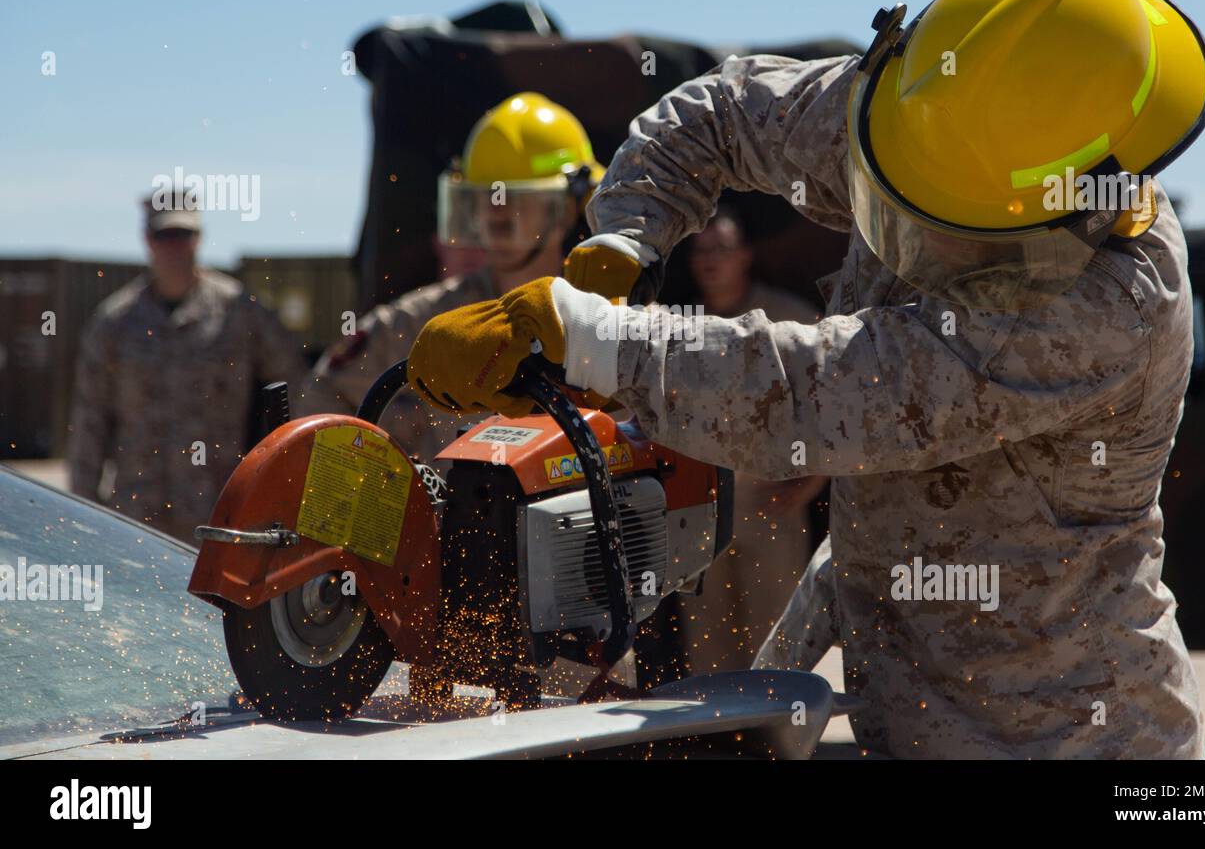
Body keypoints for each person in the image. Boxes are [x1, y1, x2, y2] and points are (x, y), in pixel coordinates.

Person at [403, 0, 1205, 758]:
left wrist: (594, 342)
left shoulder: (1113, 301)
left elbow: (828, 389)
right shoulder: (917, 116)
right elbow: (717, 115)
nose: (907, 237)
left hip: (1076, 733)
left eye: (941, 220)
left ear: (1069, 198)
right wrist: (623, 236)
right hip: (900, 698)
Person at [298, 93, 602, 463]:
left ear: (567, 210)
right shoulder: (430, 318)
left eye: (516, 197)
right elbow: (323, 392)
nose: (496, 214)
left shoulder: (604, 318)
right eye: (485, 198)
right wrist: (387, 477)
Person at [67, 188, 306, 543]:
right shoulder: (115, 324)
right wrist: (84, 518)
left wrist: (280, 480)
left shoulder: (239, 312)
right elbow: (90, 421)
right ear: (147, 239)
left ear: (199, 237)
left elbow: (298, 386)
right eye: (165, 235)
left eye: (184, 234)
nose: (175, 246)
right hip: (137, 518)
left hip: (219, 516)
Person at [677, 207, 827, 673]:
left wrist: (819, 474)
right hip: (698, 510)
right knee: (707, 641)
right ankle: (720, 742)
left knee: (774, 636)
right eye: (700, 251)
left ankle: (779, 742)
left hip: (770, 504)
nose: (710, 261)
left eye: (720, 249)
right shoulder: (677, 326)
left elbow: (832, 398)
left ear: (744, 256)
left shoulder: (788, 320)